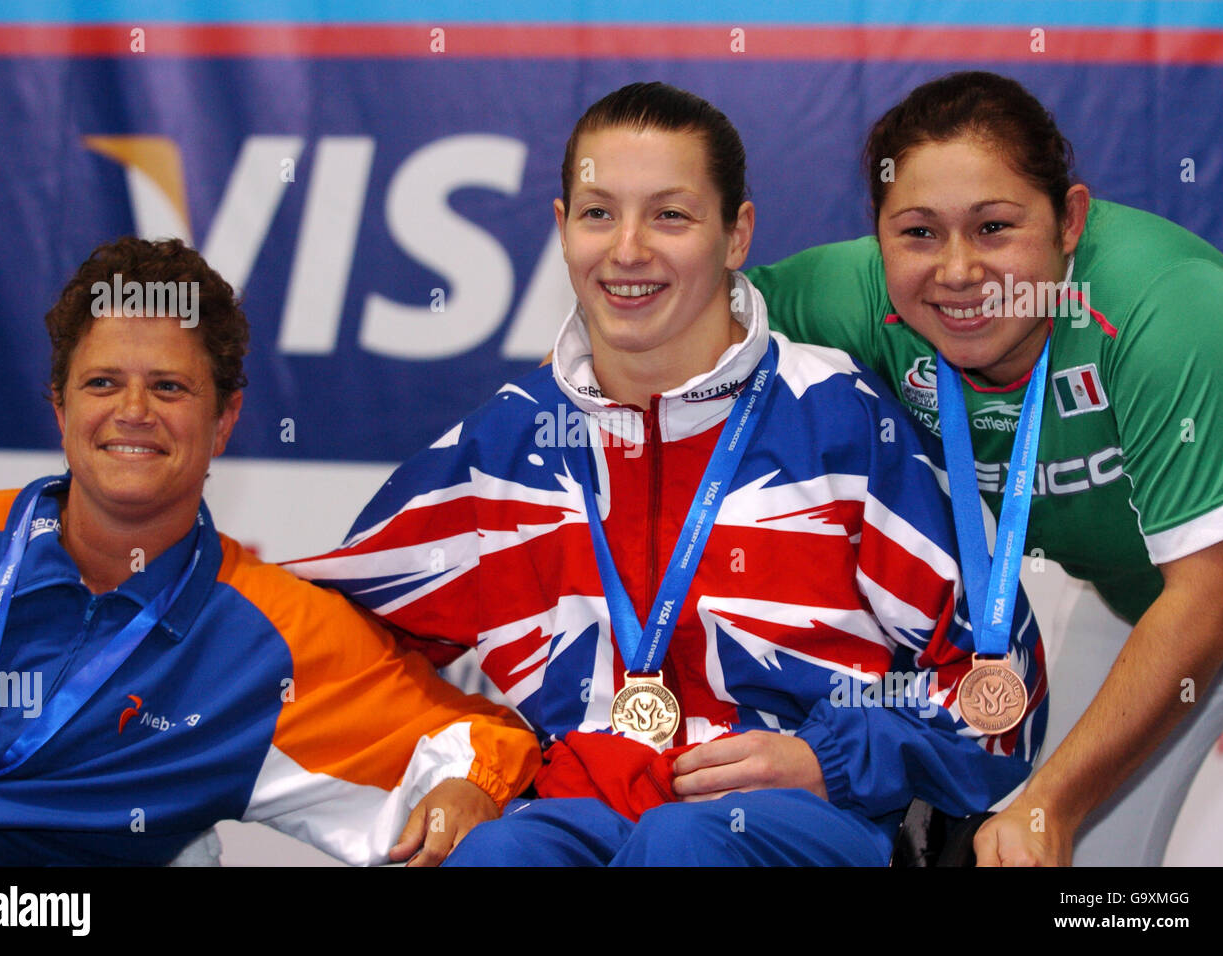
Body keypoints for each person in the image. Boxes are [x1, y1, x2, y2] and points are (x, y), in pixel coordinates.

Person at [289, 82, 1047, 866]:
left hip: (794, 822)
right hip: (578, 807)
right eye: (598, 213)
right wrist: (467, 764)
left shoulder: (836, 417)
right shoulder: (510, 442)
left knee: (684, 844)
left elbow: (1002, 684)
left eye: (670, 214)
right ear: (562, 230)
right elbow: (321, 643)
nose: (626, 249)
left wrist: (833, 759)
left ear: (736, 234)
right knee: (501, 855)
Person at [746, 70, 1223, 866]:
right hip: (1136, 608)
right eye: (918, 233)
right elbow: (688, 318)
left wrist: (1051, 800)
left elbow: (1213, 600)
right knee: (1056, 870)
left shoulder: (1167, 306)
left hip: (1204, 598)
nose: (958, 271)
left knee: (1043, 817)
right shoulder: (856, 295)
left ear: (1069, 220)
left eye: (994, 227)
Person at [0, 237, 540, 866]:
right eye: (102, 383)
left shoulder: (270, 638)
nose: (134, 411)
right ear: (61, 409)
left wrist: (473, 784)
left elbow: (479, 738)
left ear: (225, 419)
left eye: (169, 387)